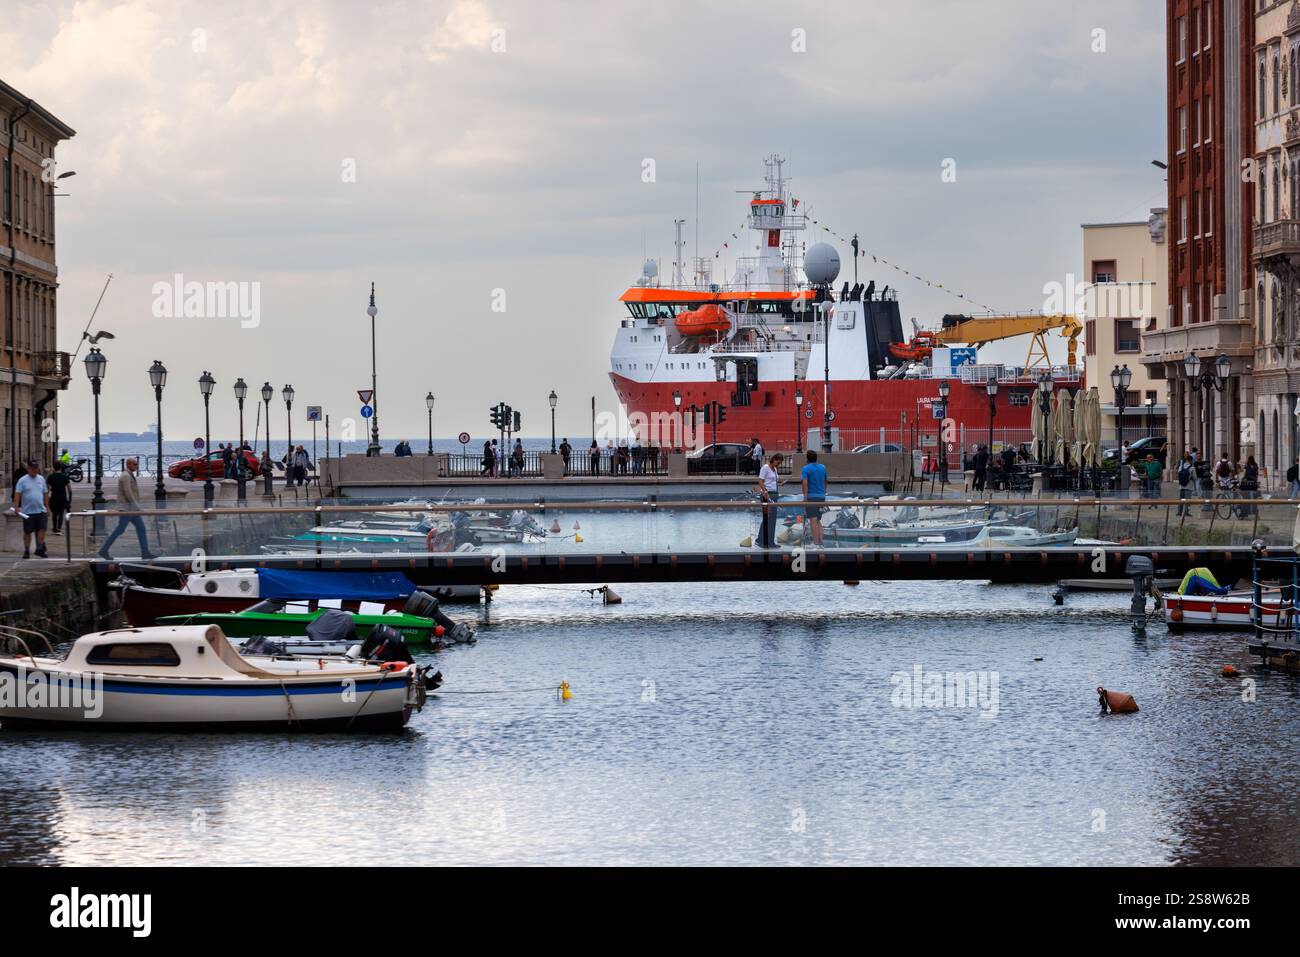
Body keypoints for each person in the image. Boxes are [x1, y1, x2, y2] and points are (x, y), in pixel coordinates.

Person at [98, 457, 154, 561]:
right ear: (128, 464)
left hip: (131, 509)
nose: (136, 467)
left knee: (140, 528)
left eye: (137, 464)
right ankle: (103, 550)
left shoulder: (128, 475)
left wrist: (135, 507)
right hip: (127, 509)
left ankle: (145, 552)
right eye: (134, 464)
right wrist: (137, 506)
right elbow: (128, 492)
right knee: (120, 530)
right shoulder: (125, 476)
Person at [12, 459, 50, 558]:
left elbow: (45, 493)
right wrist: (16, 507)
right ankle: (27, 550)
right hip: (28, 511)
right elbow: (17, 494)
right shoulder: (22, 480)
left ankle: (40, 549)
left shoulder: (41, 479)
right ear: (28, 469)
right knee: (28, 532)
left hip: (41, 510)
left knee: (42, 529)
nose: (35, 470)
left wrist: (47, 507)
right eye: (32, 468)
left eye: (36, 468)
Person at [800, 450, 829, 547]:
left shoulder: (805, 469)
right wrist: (823, 492)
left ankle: (816, 543)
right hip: (821, 497)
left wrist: (805, 497)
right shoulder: (823, 467)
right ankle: (821, 542)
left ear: (807, 458)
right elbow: (826, 481)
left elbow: (805, 483)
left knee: (813, 520)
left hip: (811, 497)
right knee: (818, 521)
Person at [756, 453, 782, 548]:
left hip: (774, 494)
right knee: (767, 518)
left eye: (779, 463)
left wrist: (780, 483)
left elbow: (772, 481)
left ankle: (770, 541)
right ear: (774, 459)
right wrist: (765, 491)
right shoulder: (765, 467)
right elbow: (760, 480)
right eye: (778, 462)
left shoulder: (774, 469)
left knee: (772, 519)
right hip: (766, 495)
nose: (778, 465)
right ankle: (761, 540)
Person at [47, 460, 70, 535]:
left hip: (54, 497)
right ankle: (59, 529)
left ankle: (54, 528)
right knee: (61, 513)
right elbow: (69, 489)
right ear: (60, 467)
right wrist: (69, 500)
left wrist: (47, 498)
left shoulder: (50, 477)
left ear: (54, 467)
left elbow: (49, 489)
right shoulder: (65, 477)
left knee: (54, 513)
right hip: (62, 497)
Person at [1176, 452, 1194, 516]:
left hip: (1181, 486)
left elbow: (1178, 474)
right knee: (1187, 500)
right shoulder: (1192, 468)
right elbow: (1195, 477)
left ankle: (1179, 512)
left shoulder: (1181, 467)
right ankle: (1186, 512)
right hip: (1189, 486)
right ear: (1190, 460)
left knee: (1181, 499)